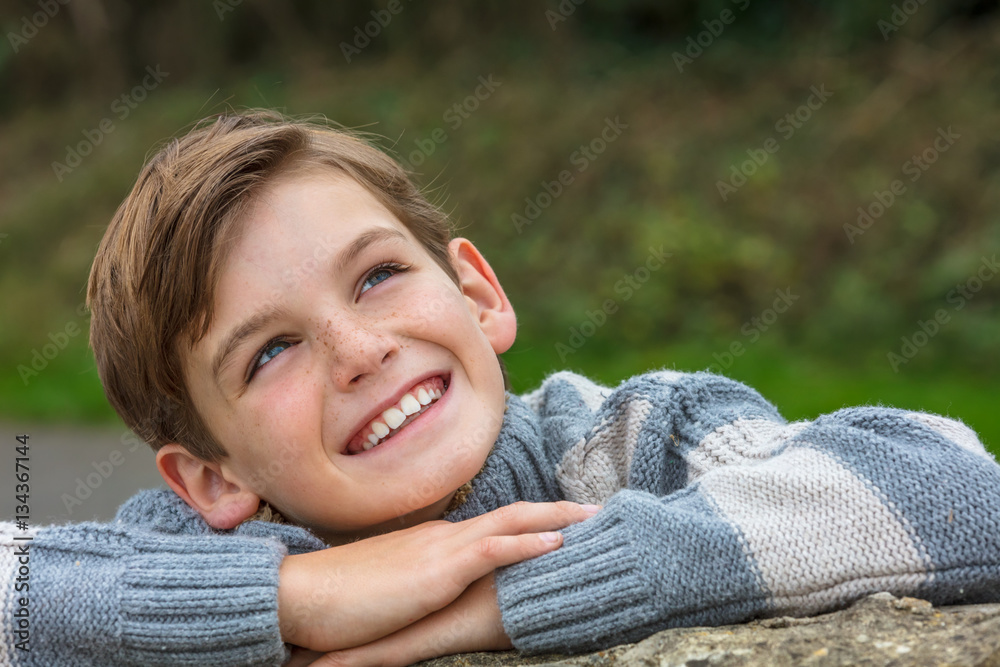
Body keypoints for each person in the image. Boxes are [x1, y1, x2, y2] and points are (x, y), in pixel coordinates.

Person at [4, 110, 1000, 667]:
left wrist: (491, 602)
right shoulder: (190, 550)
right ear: (213, 479)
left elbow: (952, 481)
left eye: (377, 275)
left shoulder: (636, 434)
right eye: (268, 353)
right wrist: (294, 593)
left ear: (477, 294)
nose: (358, 348)